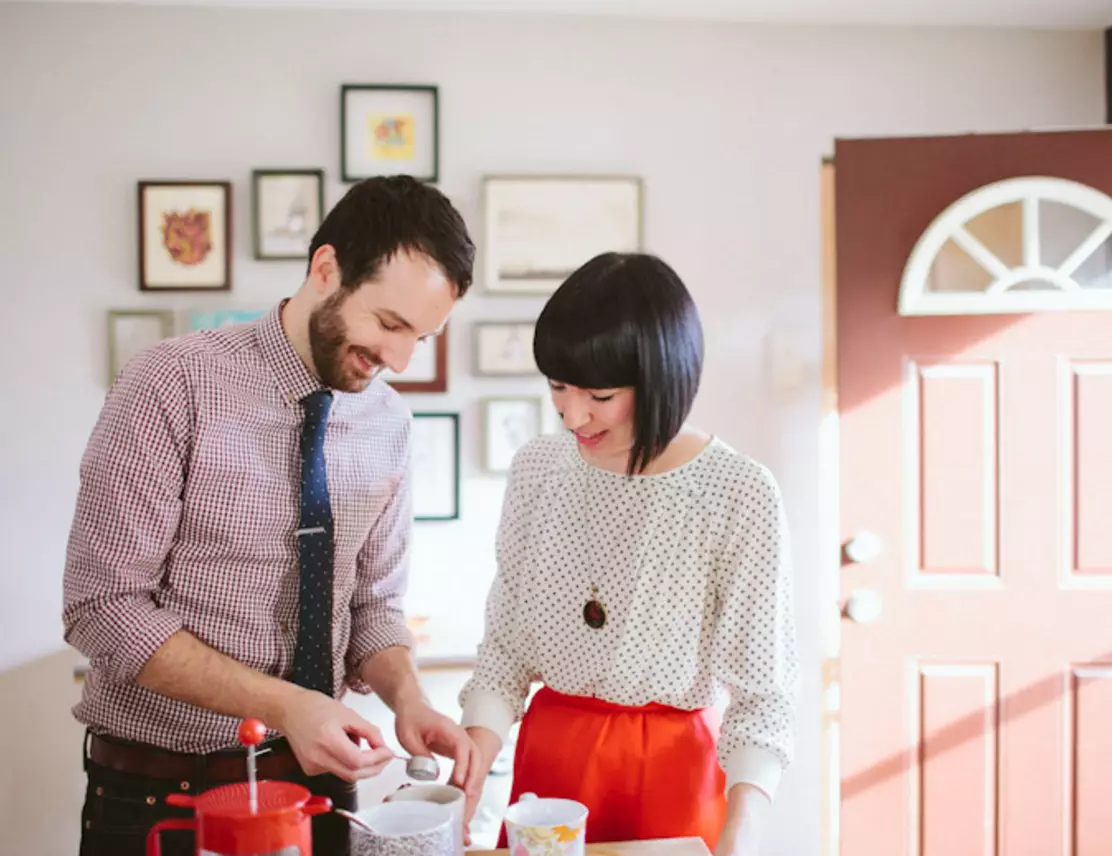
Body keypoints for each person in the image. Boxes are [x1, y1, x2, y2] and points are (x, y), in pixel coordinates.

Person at [63, 175, 481, 856]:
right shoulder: (171, 383)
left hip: (319, 791)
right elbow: (102, 607)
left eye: (422, 339)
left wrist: (409, 698)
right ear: (326, 269)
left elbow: (373, 606)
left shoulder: (389, 424)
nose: (399, 361)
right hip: (163, 798)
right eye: (390, 324)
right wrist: (285, 705)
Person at [456, 252, 799, 856]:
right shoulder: (537, 469)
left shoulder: (737, 491)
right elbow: (506, 647)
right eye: (558, 386)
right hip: (551, 771)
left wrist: (741, 833)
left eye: (600, 394)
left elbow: (762, 693)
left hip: (670, 772)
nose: (572, 414)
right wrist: (470, 771)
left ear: (664, 377)